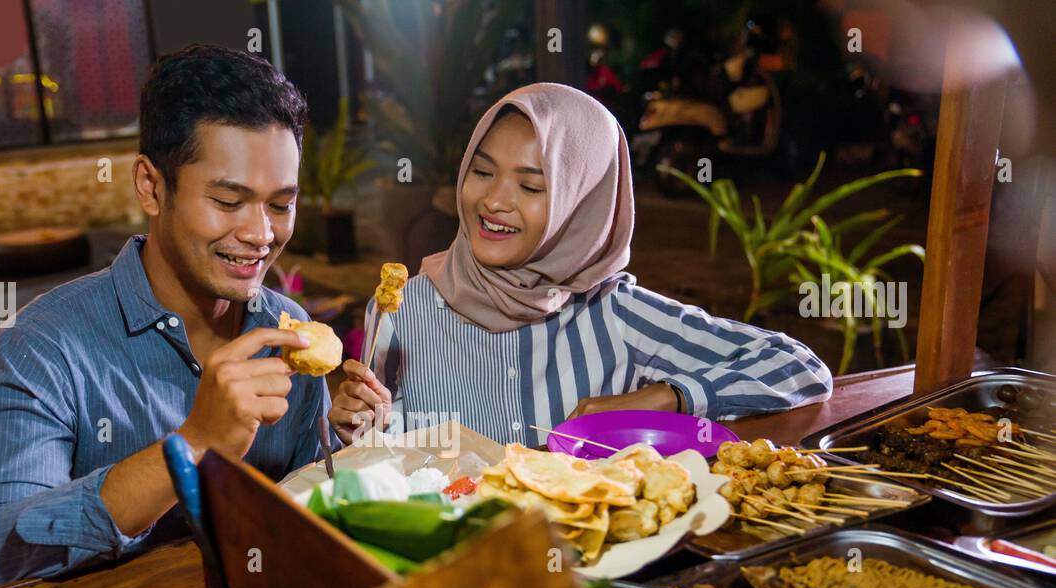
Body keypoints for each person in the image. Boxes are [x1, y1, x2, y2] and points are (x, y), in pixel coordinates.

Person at [0, 45, 326, 588]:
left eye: (280, 204)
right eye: (228, 201)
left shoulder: (287, 329)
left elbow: (307, 512)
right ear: (151, 186)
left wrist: (345, 446)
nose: (261, 234)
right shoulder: (40, 348)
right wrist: (193, 445)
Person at [330, 83, 832, 446]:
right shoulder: (404, 307)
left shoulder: (616, 314)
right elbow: (381, 437)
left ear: (581, 205)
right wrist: (359, 425)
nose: (494, 201)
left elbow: (800, 367)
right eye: (482, 171)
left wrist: (666, 397)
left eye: (531, 186)